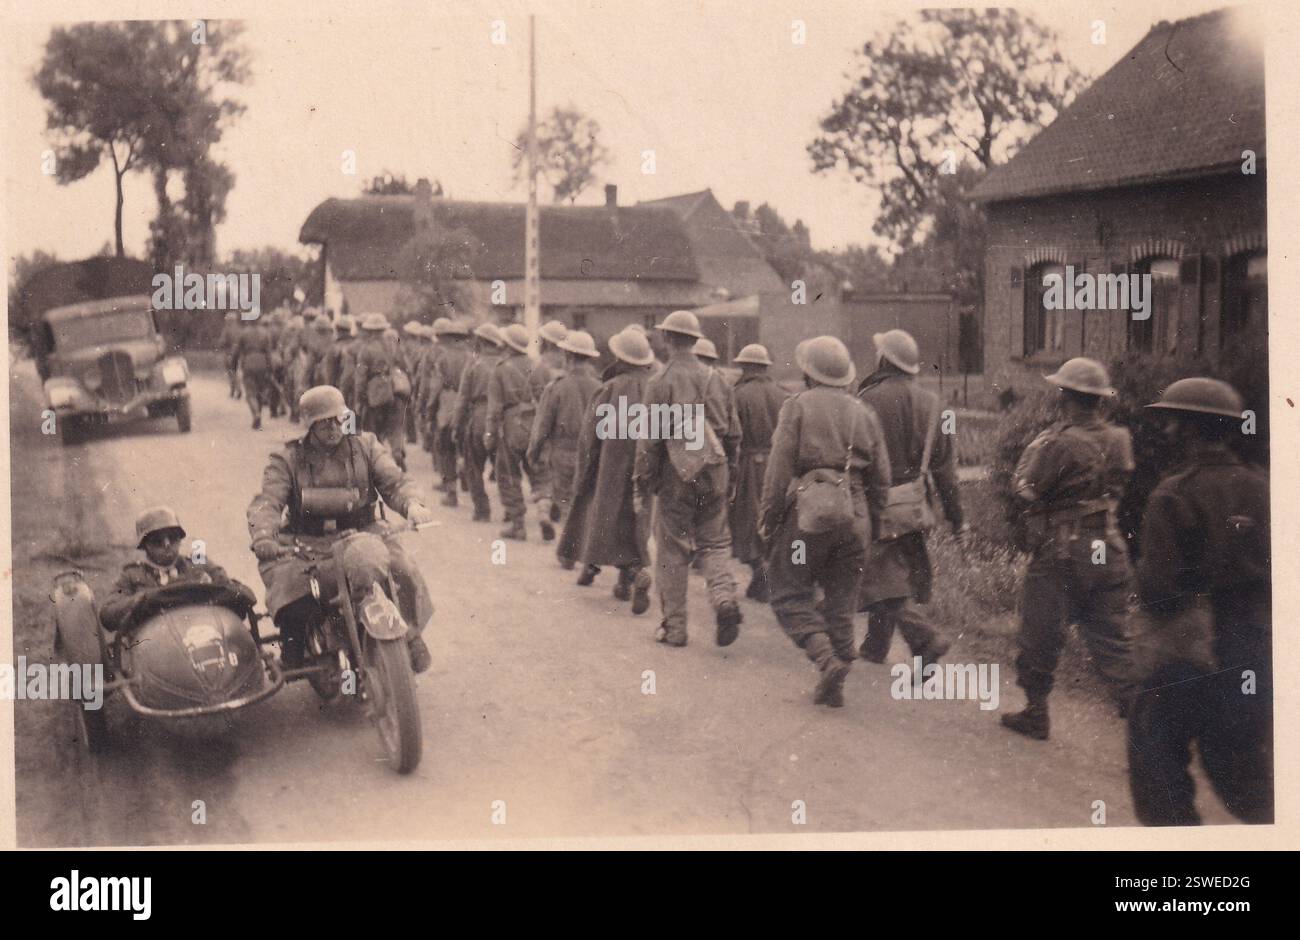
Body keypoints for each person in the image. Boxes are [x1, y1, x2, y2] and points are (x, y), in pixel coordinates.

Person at [1127, 378, 1271, 825]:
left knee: (1156, 766)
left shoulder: (1174, 493)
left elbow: (1159, 587)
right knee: (1247, 778)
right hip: (1252, 648)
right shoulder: (1262, 488)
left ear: (1187, 430)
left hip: (1188, 653)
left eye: (1173, 422)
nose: (1168, 432)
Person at [246, 385, 436, 674]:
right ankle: (294, 650)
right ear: (309, 425)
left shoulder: (366, 446)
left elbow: (395, 482)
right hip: (306, 540)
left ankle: (409, 634)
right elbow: (267, 502)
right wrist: (263, 535)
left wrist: (413, 505)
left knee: (402, 569)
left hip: (364, 532)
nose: (333, 428)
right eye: (324, 423)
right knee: (289, 586)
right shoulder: (287, 459)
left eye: (338, 419)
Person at [1001, 357, 1137, 740]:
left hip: (1065, 550)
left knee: (1041, 630)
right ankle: (1147, 723)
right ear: (1100, 400)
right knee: (1113, 639)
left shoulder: (1058, 443)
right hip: (1107, 547)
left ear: (1065, 396)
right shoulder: (1120, 439)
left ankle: (1035, 713)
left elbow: (1027, 489)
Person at [759, 337, 891, 707]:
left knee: (788, 590)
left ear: (808, 372)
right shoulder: (865, 412)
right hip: (858, 514)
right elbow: (882, 477)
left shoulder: (797, 406)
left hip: (811, 515)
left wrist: (768, 518)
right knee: (842, 600)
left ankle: (827, 660)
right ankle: (839, 669)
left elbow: (778, 470)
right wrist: (873, 522)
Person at [633, 310, 743, 647]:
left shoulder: (660, 381)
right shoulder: (719, 378)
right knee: (715, 542)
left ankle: (676, 628)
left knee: (673, 548)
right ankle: (723, 599)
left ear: (667, 339)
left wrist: (644, 479)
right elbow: (734, 434)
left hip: (677, 473)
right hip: (716, 468)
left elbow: (650, 440)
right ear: (695, 340)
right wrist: (731, 474)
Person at [856, 329, 964, 668]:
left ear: (884, 360)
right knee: (893, 569)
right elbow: (945, 469)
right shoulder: (935, 405)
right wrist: (956, 516)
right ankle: (875, 647)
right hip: (916, 503)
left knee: (879, 576)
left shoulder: (866, 399)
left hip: (878, 500)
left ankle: (925, 639)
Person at [561, 328, 655, 611]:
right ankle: (634, 574)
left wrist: (585, 473)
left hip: (611, 468)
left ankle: (593, 567)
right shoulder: (655, 387)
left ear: (620, 357)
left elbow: (590, 438)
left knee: (605, 519)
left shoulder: (609, 389)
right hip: (646, 467)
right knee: (637, 522)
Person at [100, 507, 254, 633]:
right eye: (157, 540)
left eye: (172, 537)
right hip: (157, 647)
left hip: (203, 634)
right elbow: (108, 613)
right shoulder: (132, 575)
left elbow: (238, 592)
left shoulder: (199, 564)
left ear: (180, 539)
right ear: (145, 545)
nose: (167, 544)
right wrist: (141, 600)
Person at [529, 330, 602, 563]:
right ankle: (583, 550)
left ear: (568, 356)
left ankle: (569, 551)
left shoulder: (557, 387)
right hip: (592, 452)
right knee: (585, 501)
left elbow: (542, 425)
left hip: (563, 451)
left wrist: (535, 451)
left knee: (565, 500)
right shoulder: (601, 388)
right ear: (589, 358)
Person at [728, 343, 789, 602]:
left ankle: (759, 570)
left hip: (747, 464)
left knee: (746, 519)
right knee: (775, 518)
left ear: (745, 366)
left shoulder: (737, 395)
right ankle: (767, 572)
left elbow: (730, 435)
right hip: (779, 466)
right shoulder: (783, 394)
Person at [487, 323, 550, 541]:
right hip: (536, 424)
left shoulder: (500, 369)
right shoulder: (540, 367)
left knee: (508, 475)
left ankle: (518, 525)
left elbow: (494, 409)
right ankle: (543, 511)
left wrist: (490, 435)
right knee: (539, 473)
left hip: (511, 426)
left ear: (507, 344)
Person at [453, 322, 505, 522]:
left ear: (481, 342)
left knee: (473, 465)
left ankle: (482, 510)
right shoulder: (505, 364)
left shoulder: (474, 365)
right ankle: (510, 509)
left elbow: (462, 398)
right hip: (501, 420)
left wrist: (456, 424)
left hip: (479, 417)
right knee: (502, 466)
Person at [424, 319, 473, 505]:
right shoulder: (472, 357)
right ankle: (466, 475)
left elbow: (435, 388)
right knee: (465, 445)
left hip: (448, 403)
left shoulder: (443, 358)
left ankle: (451, 491)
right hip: (469, 405)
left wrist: (429, 411)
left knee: (445, 447)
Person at [232, 316, 277, 429]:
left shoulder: (244, 333)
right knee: (260, 392)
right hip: (262, 363)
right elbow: (268, 352)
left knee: (250, 392)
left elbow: (236, 351)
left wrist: (234, 365)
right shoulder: (265, 333)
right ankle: (258, 415)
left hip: (248, 363)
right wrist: (271, 368)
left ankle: (256, 414)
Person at [218, 312, 242, 399]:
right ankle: (237, 388)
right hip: (238, 353)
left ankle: (234, 389)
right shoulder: (239, 329)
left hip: (228, 353)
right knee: (235, 370)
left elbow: (222, 341)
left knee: (231, 372)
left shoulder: (227, 329)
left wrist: (221, 344)